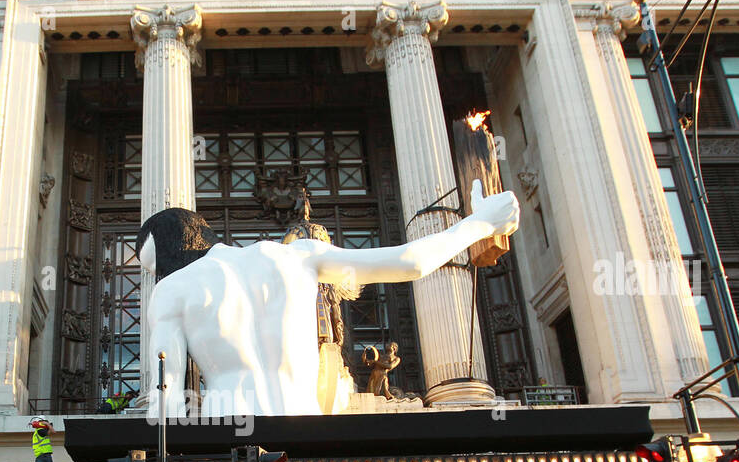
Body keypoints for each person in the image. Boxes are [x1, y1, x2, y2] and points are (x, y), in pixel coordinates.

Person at [141, 179, 520, 418]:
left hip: (228, 434)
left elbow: (165, 403)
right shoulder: (299, 254)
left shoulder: (171, 290)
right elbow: (411, 262)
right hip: (306, 431)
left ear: (163, 251)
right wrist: (481, 222)